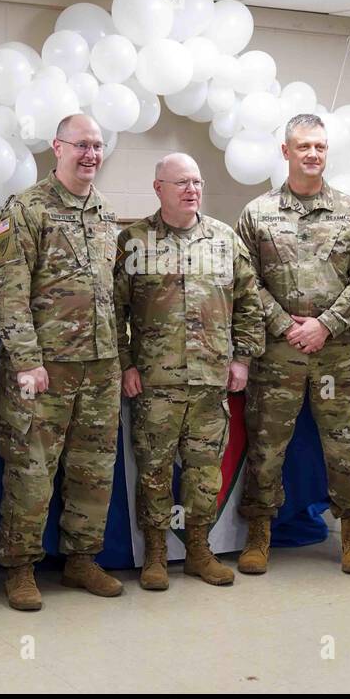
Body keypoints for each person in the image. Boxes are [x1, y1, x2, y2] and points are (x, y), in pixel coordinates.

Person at [235, 113, 350, 576]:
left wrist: (326, 325)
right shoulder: (257, 214)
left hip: (338, 357)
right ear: (285, 152)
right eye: (303, 147)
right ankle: (260, 532)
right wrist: (283, 323)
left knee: (345, 448)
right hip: (277, 358)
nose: (312, 154)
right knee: (266, 447)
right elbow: (244, 279)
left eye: (319, 146)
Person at [0, 113, 123, 611]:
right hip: (44, 368)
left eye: (97, 145)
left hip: (100, 363)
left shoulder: (107, 211)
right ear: (57, 148)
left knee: (94, 468)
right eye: (81, 145)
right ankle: (20, 567)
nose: (90, 154)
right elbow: (7, 290)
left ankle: (82, 558)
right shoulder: (25, 208)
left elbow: (114, 292)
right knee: (32, 468)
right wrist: (27, 359)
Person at [115, 153, 263, 591]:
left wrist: (243, 358)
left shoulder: (225, 239)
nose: (191, 190)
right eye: (181, 182)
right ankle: (156, 554)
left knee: (204, 470)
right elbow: (115, 309)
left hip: (209, 381)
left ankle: (199, 549)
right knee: (155, 469)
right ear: (158, 187)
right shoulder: (135, 241)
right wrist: (126, 363)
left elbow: (250, 302)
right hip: (156, 383)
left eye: (196, 181)